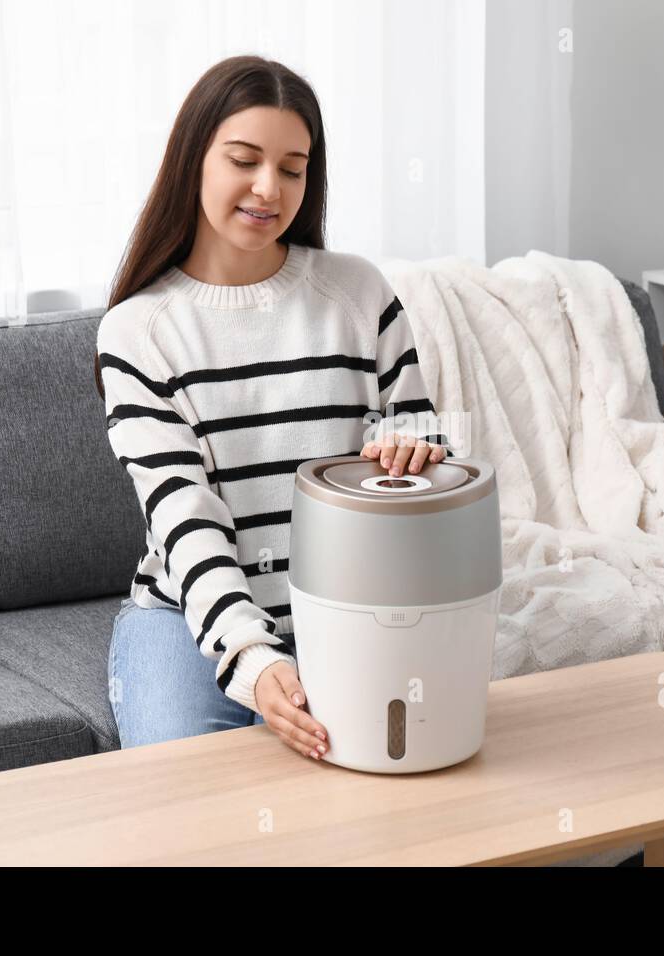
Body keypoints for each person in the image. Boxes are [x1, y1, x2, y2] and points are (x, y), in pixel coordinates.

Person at [96, 55, 449, 760]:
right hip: (190, 624)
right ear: (193, 158)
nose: (269, 188)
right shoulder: (139, 332)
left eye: (293, 168)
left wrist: (418, 453)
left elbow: (425, 441)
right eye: (244, 160)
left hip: (348, 617)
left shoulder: (359, 294)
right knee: (194, 819)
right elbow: (184, 519)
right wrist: (255, 664)